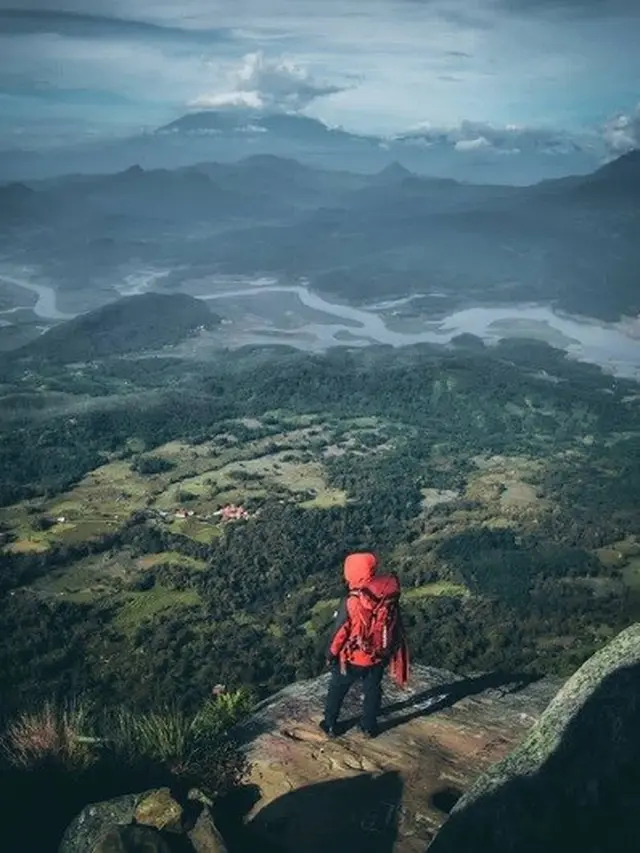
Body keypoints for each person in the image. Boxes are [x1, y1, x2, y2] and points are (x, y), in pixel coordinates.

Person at [320, 551, 409, 739]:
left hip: (351, 657)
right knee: (372, 690)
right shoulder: (386, 595)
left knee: (337, 689)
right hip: (377, 655)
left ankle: (330, 724)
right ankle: (369, 726)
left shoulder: (351, 601)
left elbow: (340, 633)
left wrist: (330, 655)